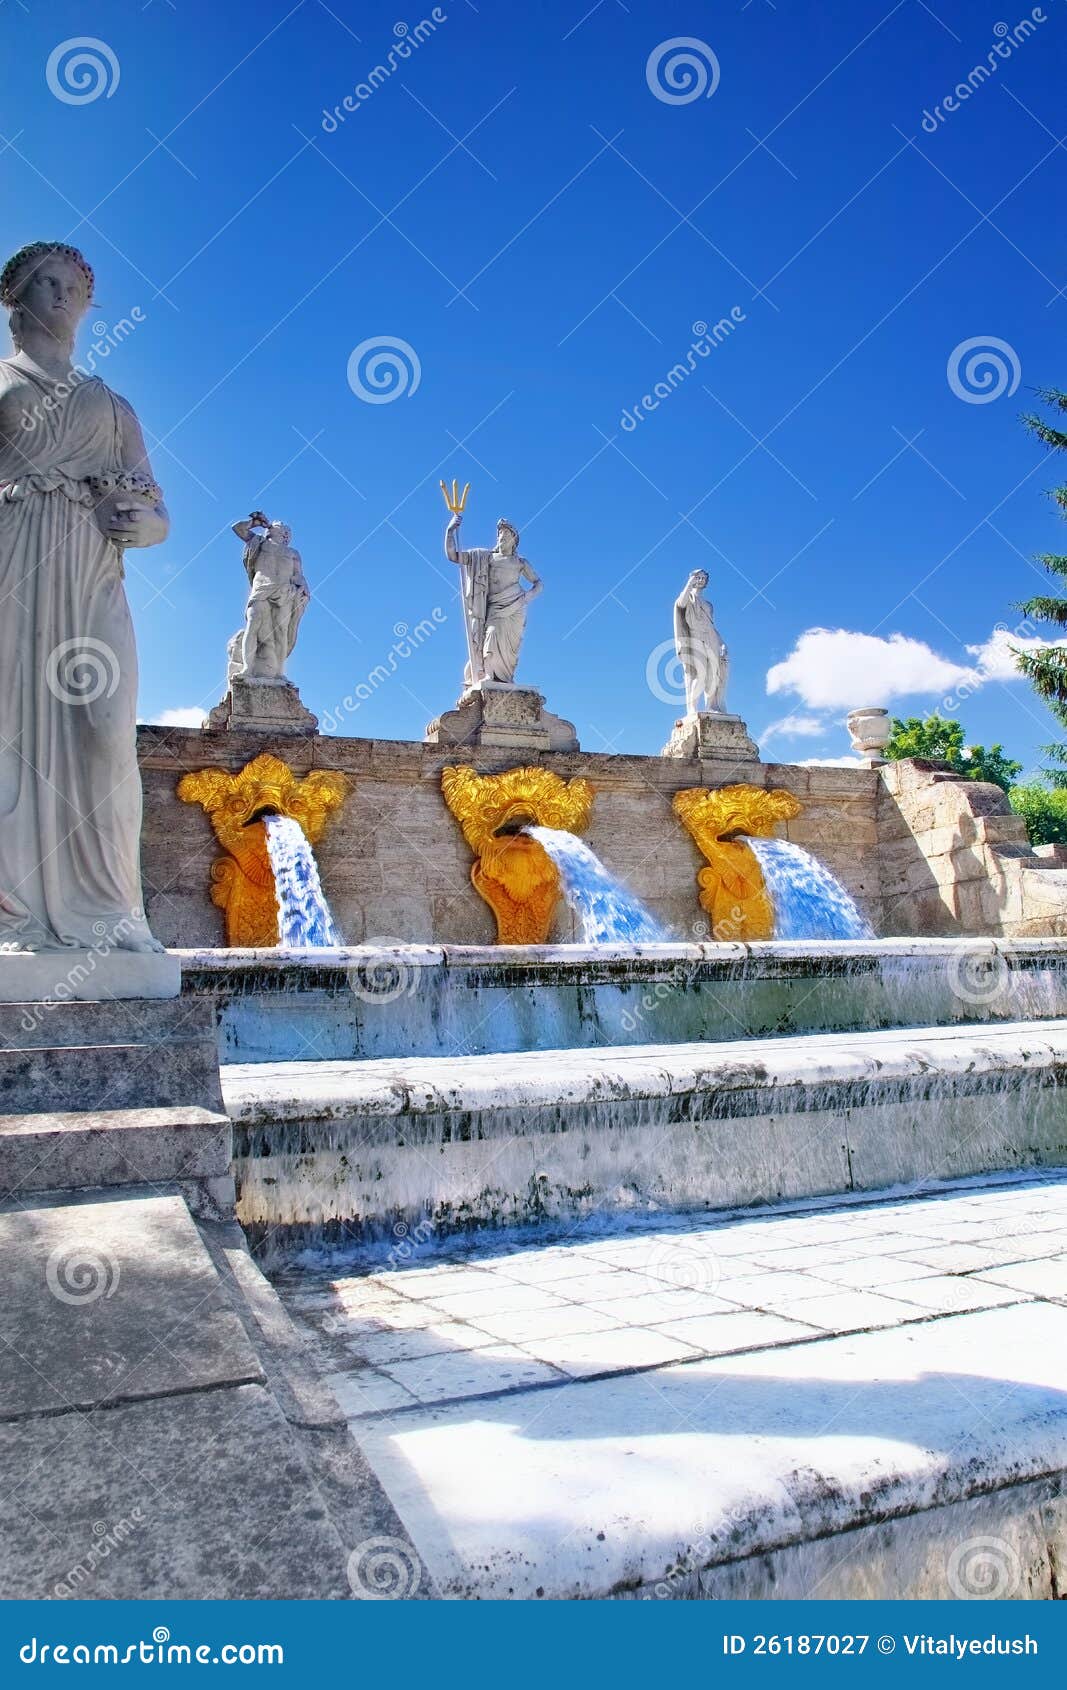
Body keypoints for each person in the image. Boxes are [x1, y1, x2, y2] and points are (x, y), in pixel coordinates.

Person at [0, 241, 168, 952]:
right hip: (12, 566)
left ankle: (114, 912)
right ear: (15, 299)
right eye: (46, 282)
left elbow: (156, 509)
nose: (62, 294)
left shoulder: (111, 406)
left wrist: (146, 524)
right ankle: (15, 920)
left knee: (104, 736)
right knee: (9, 740)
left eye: (74, 285)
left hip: (91, 572)